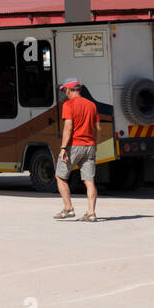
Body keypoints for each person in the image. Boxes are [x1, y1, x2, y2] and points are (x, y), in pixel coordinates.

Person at [55, 79, 100, 221]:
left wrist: (63, 147)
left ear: (69, 90)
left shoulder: (68, 105)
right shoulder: (92, 105)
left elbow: (68, 127)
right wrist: (95, 145)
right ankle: (91, 212)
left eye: (64, 91)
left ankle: (68, 208)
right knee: (89, 180)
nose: (64, 94)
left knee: (60, 176)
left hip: (74, 146)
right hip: (90, 146)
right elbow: (98, 128)